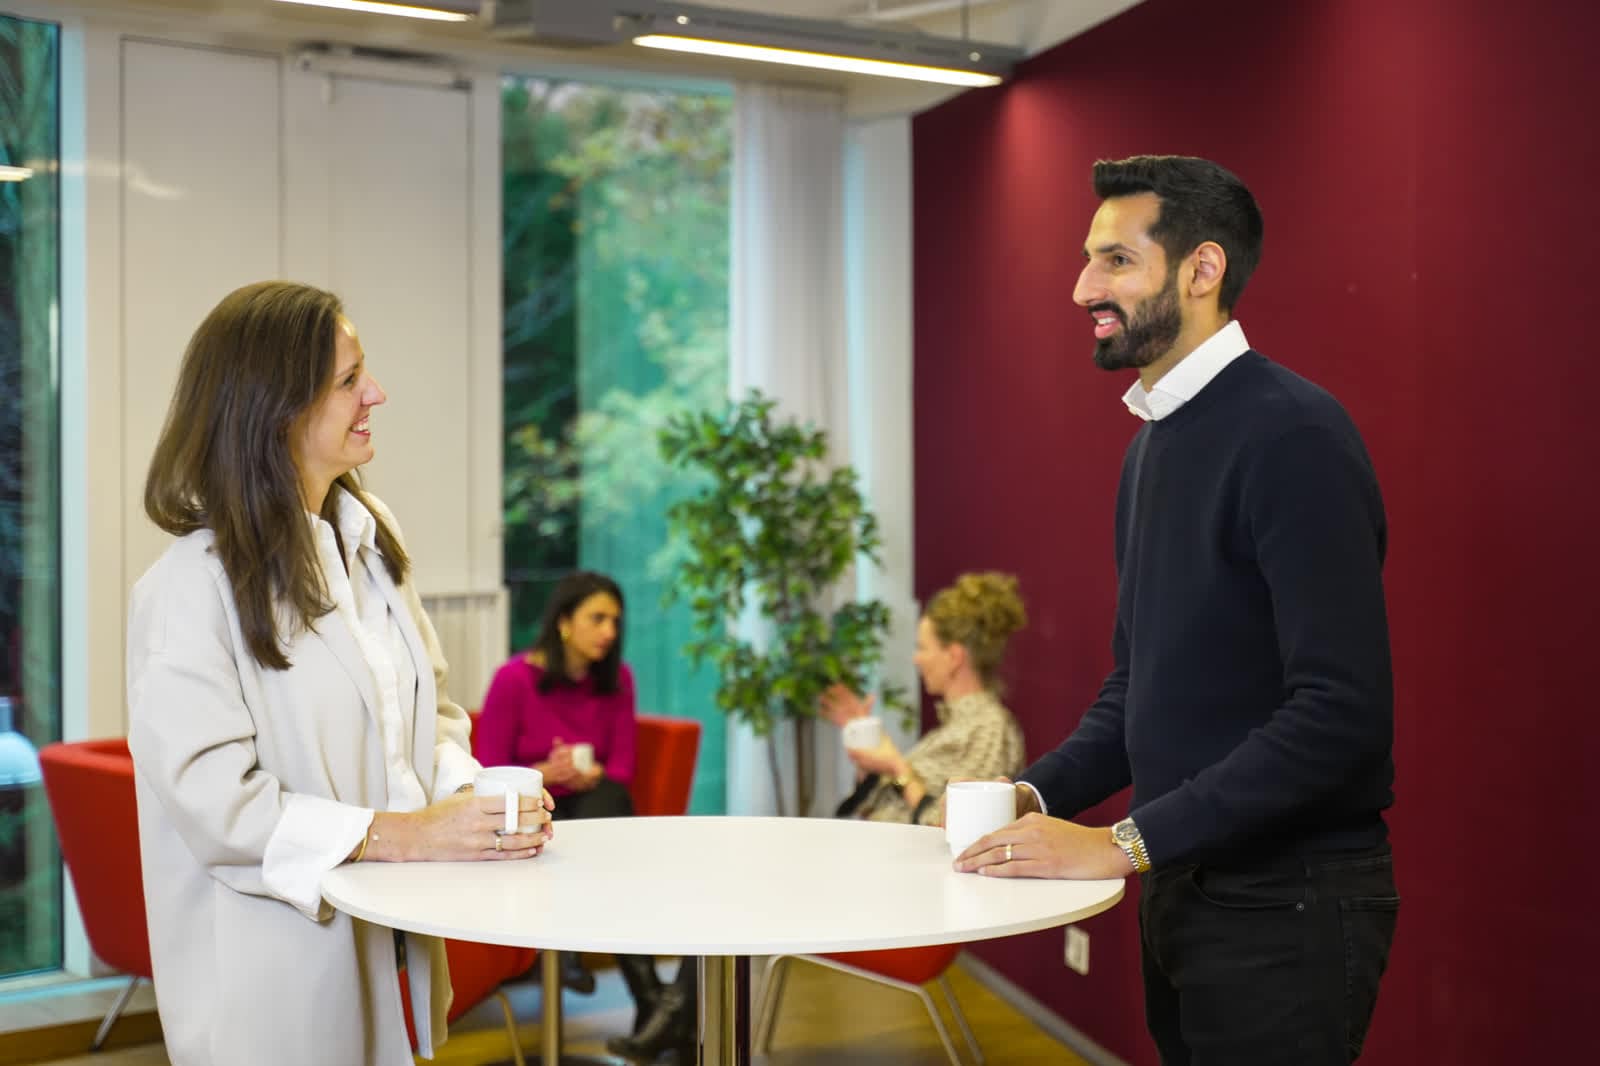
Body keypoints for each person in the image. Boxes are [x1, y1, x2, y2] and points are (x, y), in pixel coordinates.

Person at [953, 156, 1398, 1065]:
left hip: (1291, 904)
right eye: (1087, 261)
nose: (1083, 287)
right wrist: (1022, 795)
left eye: (1115, 261)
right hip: (1185, 886)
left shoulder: (1294, 436)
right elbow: (1139, 688)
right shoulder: (1151, 447)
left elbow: (1339, 713)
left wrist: (1122, 843)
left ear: (1203, 270)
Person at [127, 281, 552, 1066]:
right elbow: (222, 808)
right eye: (349, 381)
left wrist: (472, 801)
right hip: (273, 977)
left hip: (393, 945)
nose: (375, 394)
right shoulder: (186, 589)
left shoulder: (371, 536)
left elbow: (430, 714)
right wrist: (404, 837)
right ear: (276, 408)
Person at [607, 571, 1028, 1064]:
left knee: (732, 878)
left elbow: (957, 831)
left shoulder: (989, 729)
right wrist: (873, 767)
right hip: (879, 873)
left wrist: (895, 765)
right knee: (733, 867)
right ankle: (684, 1022)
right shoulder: (960, 727)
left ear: (954, 656)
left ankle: (682, 1024)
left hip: (903, 895)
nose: (917, 658)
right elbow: (905, 803)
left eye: (924, 647)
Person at [475, 571, 648, 1006]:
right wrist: (545, 774)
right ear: (564, 621)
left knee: (606, 800)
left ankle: (568, 949)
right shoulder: (513, 679)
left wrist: (590, 775)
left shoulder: (618, 679)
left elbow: (623, 768)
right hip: (536, 814)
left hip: (594, 811)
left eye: (615, 622)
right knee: (600, 844)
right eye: (598, 618)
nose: (609, 632)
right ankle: (650, 999)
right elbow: (487, 769)